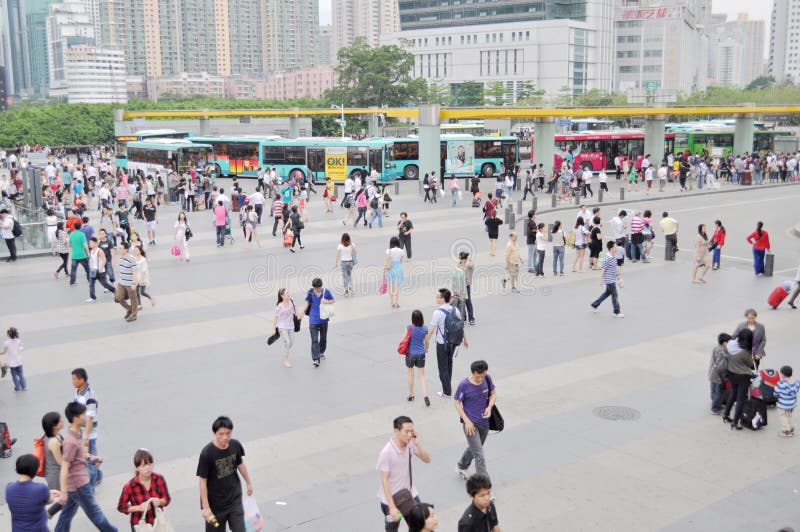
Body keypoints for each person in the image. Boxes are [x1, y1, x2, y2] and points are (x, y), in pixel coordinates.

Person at [54, 402, 117, 532]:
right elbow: (65, 467)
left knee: (66, 515)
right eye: (83, 414)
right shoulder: (70, 441)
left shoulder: (78, 432)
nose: (86, 416)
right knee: (96, 514)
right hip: (79, 485)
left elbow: (79, 453)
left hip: (77, 484)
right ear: (76, 419)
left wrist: (91, 457)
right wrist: (64, 492)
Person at [197, 416, 253, 532]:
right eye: (221, 434)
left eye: (228, 433)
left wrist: (248, 482)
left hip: (234, 500)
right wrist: (206, 508)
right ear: (214, 433)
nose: (225, 437)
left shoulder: (235, 445)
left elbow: (240, 464)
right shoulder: (207, 453)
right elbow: (202, 481)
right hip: (215, 506)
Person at [377, 416, 432, 531]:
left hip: (410, 495)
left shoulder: (411, 443)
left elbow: (427, 459)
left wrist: (417, 444)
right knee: (392, 529)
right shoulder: (387, 452)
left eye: (411, 431)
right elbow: (384, 479)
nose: (409, 435)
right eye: (406, 431)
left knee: (420, 525)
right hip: (392, 500)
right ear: (397, 431)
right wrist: (392, 507)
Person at [455, 360, 497, 480]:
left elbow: (493, 393)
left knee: (475, 449)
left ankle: (462, 465)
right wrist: (467, 422)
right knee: (479, 455)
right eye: (478, 376)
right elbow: (457, 403)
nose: (481, 379)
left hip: (485, 423)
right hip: (470, 425)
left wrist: (489, 407)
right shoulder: (464, 385)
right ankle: (484, 486)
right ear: (473, 372)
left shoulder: (487, 378)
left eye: (483, 376)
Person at [425, 288, 469, 399]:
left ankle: (447, 392)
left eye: (437, 297)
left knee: (442, 368)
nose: (436, 298)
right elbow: (461, 325)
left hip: (442, 343)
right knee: (449, 364)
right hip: (454, 342)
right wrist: (465, 339)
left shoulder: (438, 313)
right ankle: (447, 386)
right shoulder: (455, 310)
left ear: (443, 299)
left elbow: (431, 330)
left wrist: (426, 342)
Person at [117, 449, 171, 530]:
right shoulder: (130, 486)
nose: (148, 468)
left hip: (158, 521)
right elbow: (121, 506)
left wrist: (160, 501)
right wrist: (139, 507)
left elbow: (167, 499)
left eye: (149, 464)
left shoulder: (159, 478)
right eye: (143, 466)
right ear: (137, 468)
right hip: (139, 524)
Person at [5, 454, 60, 531]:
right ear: (35, 470)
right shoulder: (41, 488)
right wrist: (52, 495)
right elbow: (48, 501)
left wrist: (47, 492)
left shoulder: (9, 488)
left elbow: (24, 499)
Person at [722, 329, 755, 431]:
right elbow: (751, 364)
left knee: (733, 394)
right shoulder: (744, 352)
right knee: (740, 400)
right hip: (743, 377)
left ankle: (726, 414)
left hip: (731, 374)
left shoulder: (730, 344)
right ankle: (735, 423)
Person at [301, 278, 335, 367]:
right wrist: (302, 312)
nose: (317, 290)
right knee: (314, 340)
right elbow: (308, 303)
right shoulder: (310, 292)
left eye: (318, 288)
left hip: (323, 319)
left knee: (323, 338)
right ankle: (316, 359)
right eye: (316, 288)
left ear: (321, 286)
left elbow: (333, 300)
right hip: (313, 318)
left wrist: (327, 301)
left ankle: (321, 352)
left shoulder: (326, 292)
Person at [591, 241, 623, 317]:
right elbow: (603, 269)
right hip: (609, 280)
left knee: (606, 294)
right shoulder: (608, 258)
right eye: (615, 247)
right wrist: (601, 280)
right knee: (615, 295)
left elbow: (613, 268)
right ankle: (616, 311)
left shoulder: (613, 257)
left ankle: (594, 304)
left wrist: (618, 277)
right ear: (611, 248)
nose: (616, 248)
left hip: (612, 279)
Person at [405, 310, 430, 406]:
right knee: (422, 375)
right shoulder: (425, 328)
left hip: (410, 353)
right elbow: (427, 341)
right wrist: (426, 348)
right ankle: (425, 396)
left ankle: (411, 395)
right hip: (421, 354)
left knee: (410, 374)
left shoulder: (409, 328)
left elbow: (404, 339)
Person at [115, 241, 139, 322]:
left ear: (126, 250)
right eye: (119, 248)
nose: (119, 250)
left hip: (130, 283)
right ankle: (129, 309)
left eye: (121, 249)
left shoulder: (131, 259)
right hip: (121, 282)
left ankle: (134, 315)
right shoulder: (121, 258)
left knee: (133, 299)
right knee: (118, 298)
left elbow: (135, 271)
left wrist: (134, 283)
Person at [273, 288, 297, 368]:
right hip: (282, 326)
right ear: (282, 296)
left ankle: (285, 352)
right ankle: (285, 359)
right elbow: (276, 317)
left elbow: (295, 309)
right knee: (287, 342)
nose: (288, 294)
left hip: (291, 326)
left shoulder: (291, 301)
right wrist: (274, 329)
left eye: (288, 293)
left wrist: (299, 314)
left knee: (291, 343)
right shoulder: (279, 306)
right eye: (286, 294)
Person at [708, 333, 731, 415]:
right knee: (719, 393)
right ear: (725, 342)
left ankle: (716, 404)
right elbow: (721, 367)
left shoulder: (717, 348)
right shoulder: (722, 351)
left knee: (714, 390)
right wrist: (725, 376)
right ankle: (715, 408)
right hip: (719, 376)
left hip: (713, 374)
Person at [86, 237, 115, 302]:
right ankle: (92, 297)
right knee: (91, 284)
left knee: (105, 284)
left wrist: (101, 268)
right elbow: (92, 261)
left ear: (96, 243)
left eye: (92, 243)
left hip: (100, 271)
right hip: (93, 270)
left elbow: (104, 260)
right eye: (90, 243)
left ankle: (115, 291)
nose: (90, 244)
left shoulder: (99, 251)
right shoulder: (91, 251)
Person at [775, 365, 800, 437]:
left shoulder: (781, 384)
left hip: (783, 405)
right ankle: (791, 428)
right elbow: (797, 388)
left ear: (783, 374)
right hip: (792, 404)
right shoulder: (796, 381)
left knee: (783, 417)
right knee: (790, 416)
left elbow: (776, 393)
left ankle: (786, 431)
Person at [454, 251, 476, 326]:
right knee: (461, 301)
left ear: (464, 259)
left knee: (468, 301)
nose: (460, 259)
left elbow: (471, 265)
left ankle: (471, 318)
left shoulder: (468, 264)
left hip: (466, 285)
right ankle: (464, 316)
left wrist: (468, 260)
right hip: (460, 285)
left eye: (461, 258)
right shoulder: (459, 264)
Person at [0, 326, 25, 391]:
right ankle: (24, 386)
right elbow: (22, 347)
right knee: (21, 374)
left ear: (9, 334)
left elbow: (4, 352)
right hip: (19, 361)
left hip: (12, 363)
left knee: (14, 376)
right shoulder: (18, 340)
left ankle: (17, 388)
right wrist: (20, 348)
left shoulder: (6, 343)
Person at [385, 236, 405, 308]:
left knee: (390, 287)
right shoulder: (401, 251)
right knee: (396, 288)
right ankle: (396, 302)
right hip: (398, 269)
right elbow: (400, 261)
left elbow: (387, 260)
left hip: (390, 269)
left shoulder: (388, 251)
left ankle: (391, 302)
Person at [69, 221, 90, 285]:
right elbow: (85, 245)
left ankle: (72, 282)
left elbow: (70, 244)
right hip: (82, 255)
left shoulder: (71, 234)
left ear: (74, 227)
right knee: (87, 269)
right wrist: (88, 253)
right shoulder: (82, 234)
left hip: (74, 255)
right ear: (80, 227)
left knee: (73, 270)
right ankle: (90, 280)